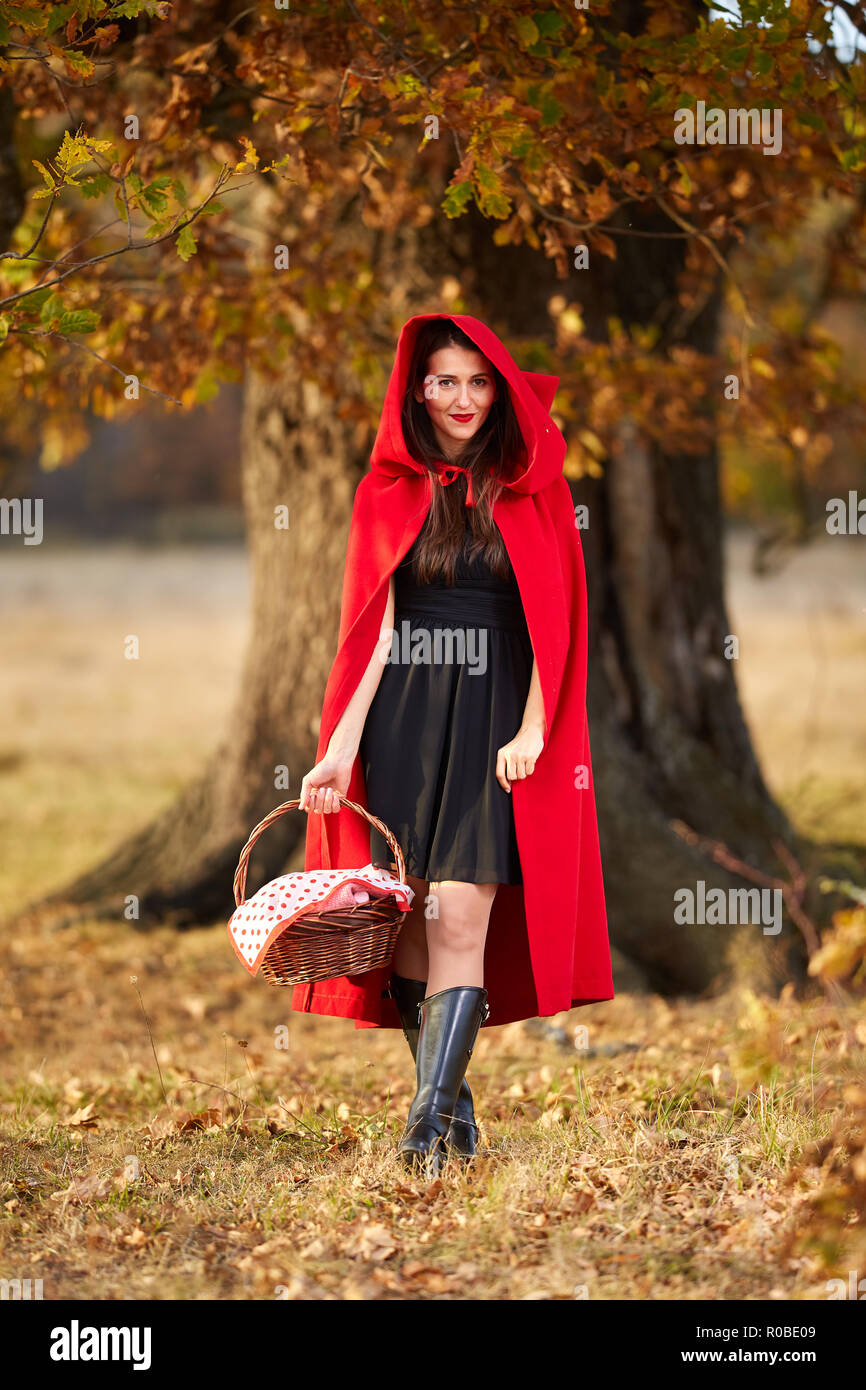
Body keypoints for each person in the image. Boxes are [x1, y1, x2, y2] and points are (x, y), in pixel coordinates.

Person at [294, 314, 613, 1177]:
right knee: (406, 916)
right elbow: (373, 637)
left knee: (462, 912)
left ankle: (424, 1127)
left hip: (495, 716)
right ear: (418, 390)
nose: (462, 398)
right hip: (404, 716)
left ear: (497, 390)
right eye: (444, 381)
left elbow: (560, 625)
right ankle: (455, 1110)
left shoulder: (531, 488)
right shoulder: (388, 493)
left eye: (477, 381)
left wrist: (537, 726)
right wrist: (337, 750)